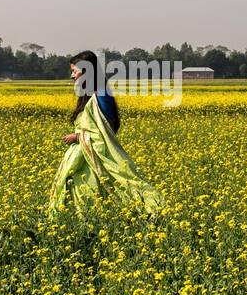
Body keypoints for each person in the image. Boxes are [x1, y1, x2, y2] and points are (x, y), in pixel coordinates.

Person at [48, 50, 162, 216]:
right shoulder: (89, 94)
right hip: (84, 154)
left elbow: (107, 130)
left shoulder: (101, 94)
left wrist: (79, 137)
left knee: (94, 192)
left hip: (96, 155)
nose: (72, 76)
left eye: (75, 71)